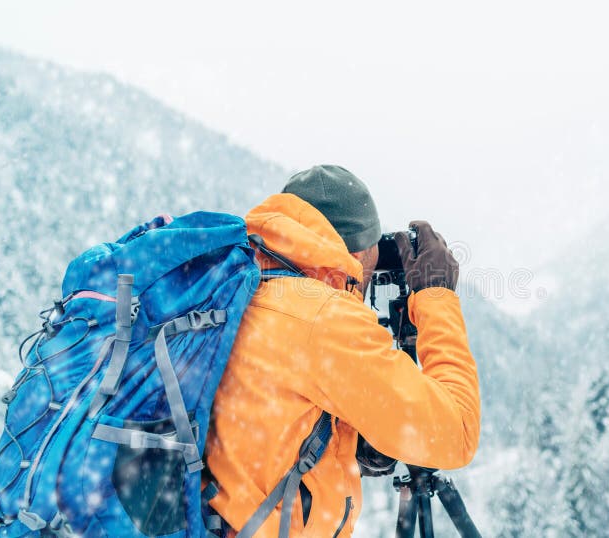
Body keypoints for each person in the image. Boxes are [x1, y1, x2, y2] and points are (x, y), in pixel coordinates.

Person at [205, 165, 480, 537]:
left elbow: (269, 420)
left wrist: (348, 433)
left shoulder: (241, 291)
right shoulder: (322, 319)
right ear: (363, 251)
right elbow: (456, 432)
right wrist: (435, 294)